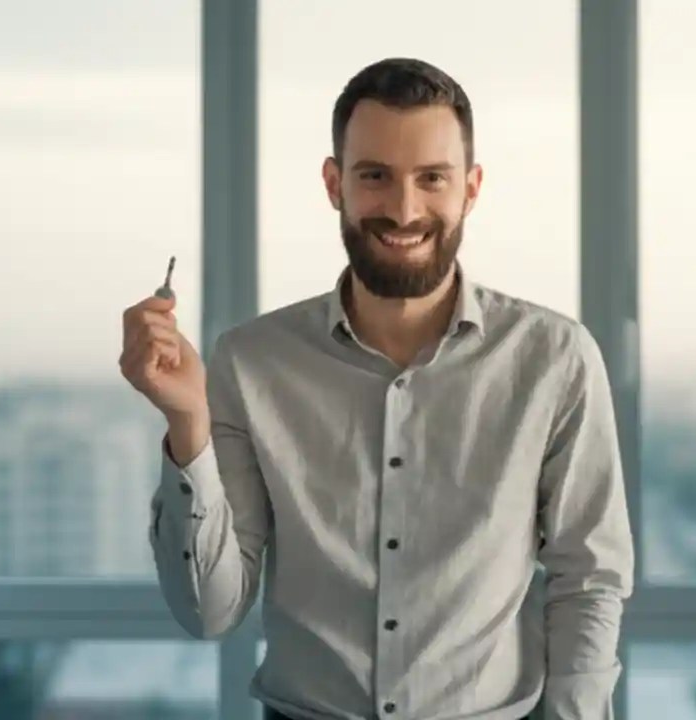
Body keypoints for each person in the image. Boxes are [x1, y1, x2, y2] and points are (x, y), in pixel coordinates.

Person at [119, 57, 634, 720]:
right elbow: (211, 612)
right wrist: (187, 422)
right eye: (375, 176)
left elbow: (588, 579)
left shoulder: (555, 359)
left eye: (432, 179)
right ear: (335, 183)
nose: (404, 208)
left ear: (470, 189)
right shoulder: (251, 363)